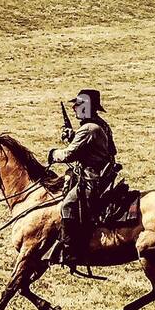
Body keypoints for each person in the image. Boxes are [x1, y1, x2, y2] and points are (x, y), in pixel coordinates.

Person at [48, 89, 120, 266]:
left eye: (78, 105)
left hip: (90, 178)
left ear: (87, 107)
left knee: (67, 206)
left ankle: (71, 250)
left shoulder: (88, 129)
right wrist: (74, 137)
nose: (74, 108)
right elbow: (108, 149)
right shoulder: (100, 125)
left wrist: (52, 154)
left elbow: (67, 156)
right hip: (102, 176)